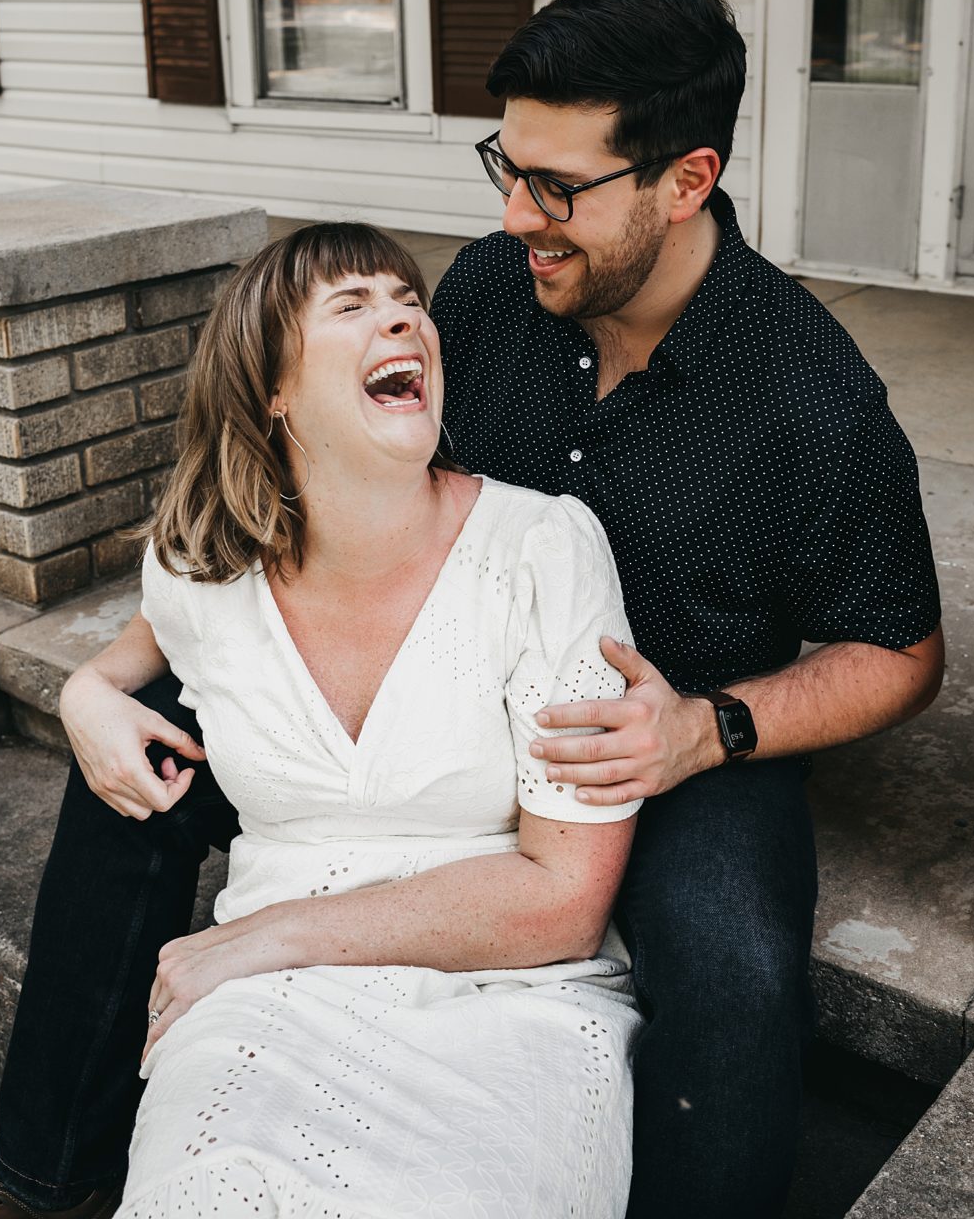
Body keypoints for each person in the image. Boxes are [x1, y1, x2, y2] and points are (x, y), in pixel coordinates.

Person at [0, 0, 943, 1219]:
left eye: (555, 186)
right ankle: (42, 1179)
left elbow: (901, 653)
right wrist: (101, 686)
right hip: (424, 672)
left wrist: (711, 728)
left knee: (734, 965)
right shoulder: (491, 290)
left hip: (654, 740)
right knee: (126, 777)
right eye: (507, 164)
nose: (513, 210)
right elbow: (314, 506)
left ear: (687, 180)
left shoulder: (812, 397)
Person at [71, 221, 644, 1216]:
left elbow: (564, 896)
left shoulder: (544, 551)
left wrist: (267, 935)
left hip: (511, 999)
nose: (402, 319)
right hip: (261, 1010)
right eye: (353, 306)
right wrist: (85, 693)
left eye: (407, 301)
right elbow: (145, 638)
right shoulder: (203, 573)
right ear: (273, 390)